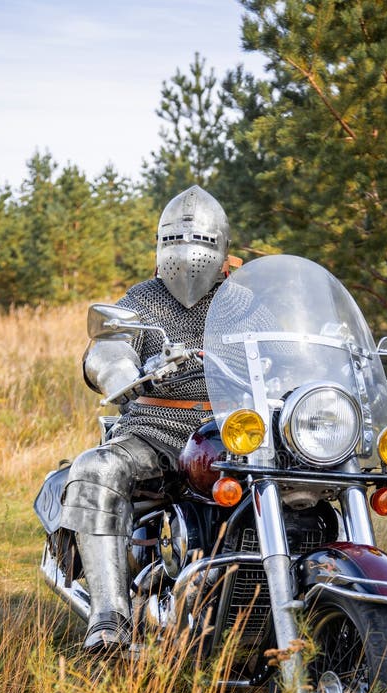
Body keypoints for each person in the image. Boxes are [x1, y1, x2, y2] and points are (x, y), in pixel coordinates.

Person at [60, 185, 231, 652]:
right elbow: (108, 344)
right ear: (160, 244)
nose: (189, 253)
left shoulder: (242, 303)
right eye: (175, 240)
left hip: (234, 436)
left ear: (223, 248)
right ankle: (109, 616)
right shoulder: (145, 297)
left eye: (201, 241)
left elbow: (285, 348)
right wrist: (119, 368)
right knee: (97, 468)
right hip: (154, 431)